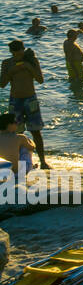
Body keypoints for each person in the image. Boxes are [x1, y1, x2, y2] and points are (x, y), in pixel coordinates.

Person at [2, 40, 48, 168]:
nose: (17, 55)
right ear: (11, 52)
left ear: (23, 50)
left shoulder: (32, 61)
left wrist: (28, 67)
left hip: (30, 99)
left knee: (36, 131)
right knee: (15, 132)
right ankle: (18, 162)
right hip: (15, 100)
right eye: (15, 53)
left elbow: (40, 80)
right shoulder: (7, 63)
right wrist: (12, 70)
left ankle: (43, 161)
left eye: (19, 52)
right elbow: (2, 84)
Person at [0, 112, 37, 180]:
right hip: (18, 173)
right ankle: (30, 167)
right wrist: (29, 141)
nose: (17, 124)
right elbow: (32, 147)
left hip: (2, 173)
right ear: (9, 125)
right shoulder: (20, 137)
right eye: (15, 122)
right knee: (25, 147)